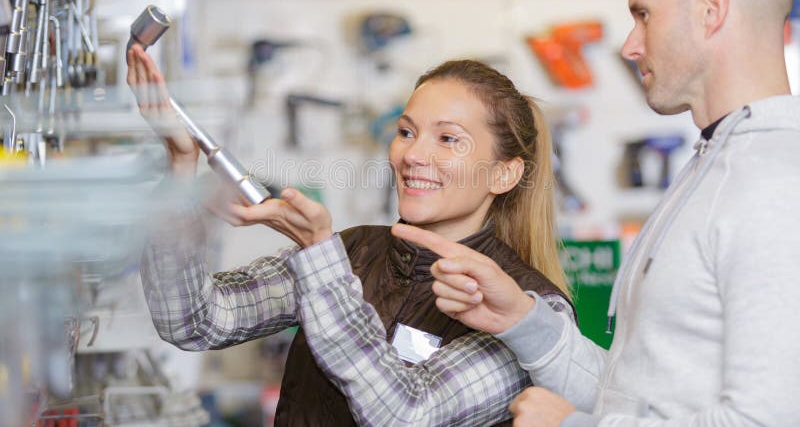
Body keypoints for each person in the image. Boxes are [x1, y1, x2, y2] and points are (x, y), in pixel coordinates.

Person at [396, 0, 800, 426]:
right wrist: (522, 322)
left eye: (644, 15)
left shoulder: (776, 187)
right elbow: (633, 394)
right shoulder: (718, 164)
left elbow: (770, 420)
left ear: (711, 10)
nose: (631, 45)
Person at [128, 52, 576, 425]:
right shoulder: (355, 251)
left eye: (447, 139)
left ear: (503, 173)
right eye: (406, 132)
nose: (414, 155)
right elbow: (193, 321)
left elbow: (406, 414)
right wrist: (179, 170)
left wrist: (320, 258)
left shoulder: (531, 314)